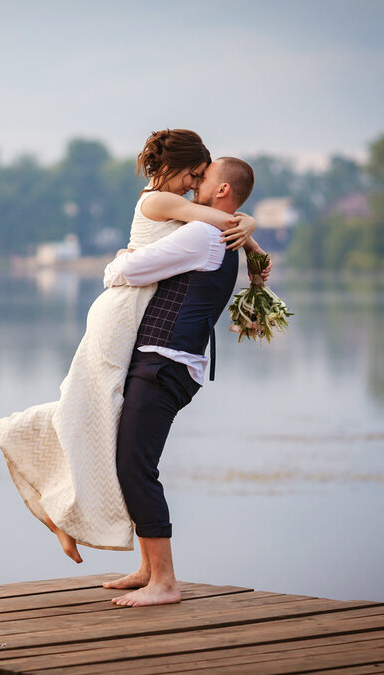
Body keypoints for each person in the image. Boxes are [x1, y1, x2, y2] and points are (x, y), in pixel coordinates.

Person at [0, 130, 262, 564]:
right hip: (120, 313)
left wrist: (249, 228)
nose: (195, 184)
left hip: (136, 319)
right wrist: (245, 224)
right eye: (194, 175)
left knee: (90, 415)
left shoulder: (196, 223)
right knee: (87, 412)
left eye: (202, 179)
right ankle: (34, 482)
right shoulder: (161, 203)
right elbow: (126, 269)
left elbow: (223, 229)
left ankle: (27, 470)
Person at [102, 156, 259, 606]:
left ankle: (165, 582)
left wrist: (120, 259)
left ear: (223, 190)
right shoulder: (219, 232)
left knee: (135, 465)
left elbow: (126, 273)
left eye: (203, 178)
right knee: (133, 460)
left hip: (163, 363)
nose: (194, 186)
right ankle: (149, 569)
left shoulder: (203, 233)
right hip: (170, 362)